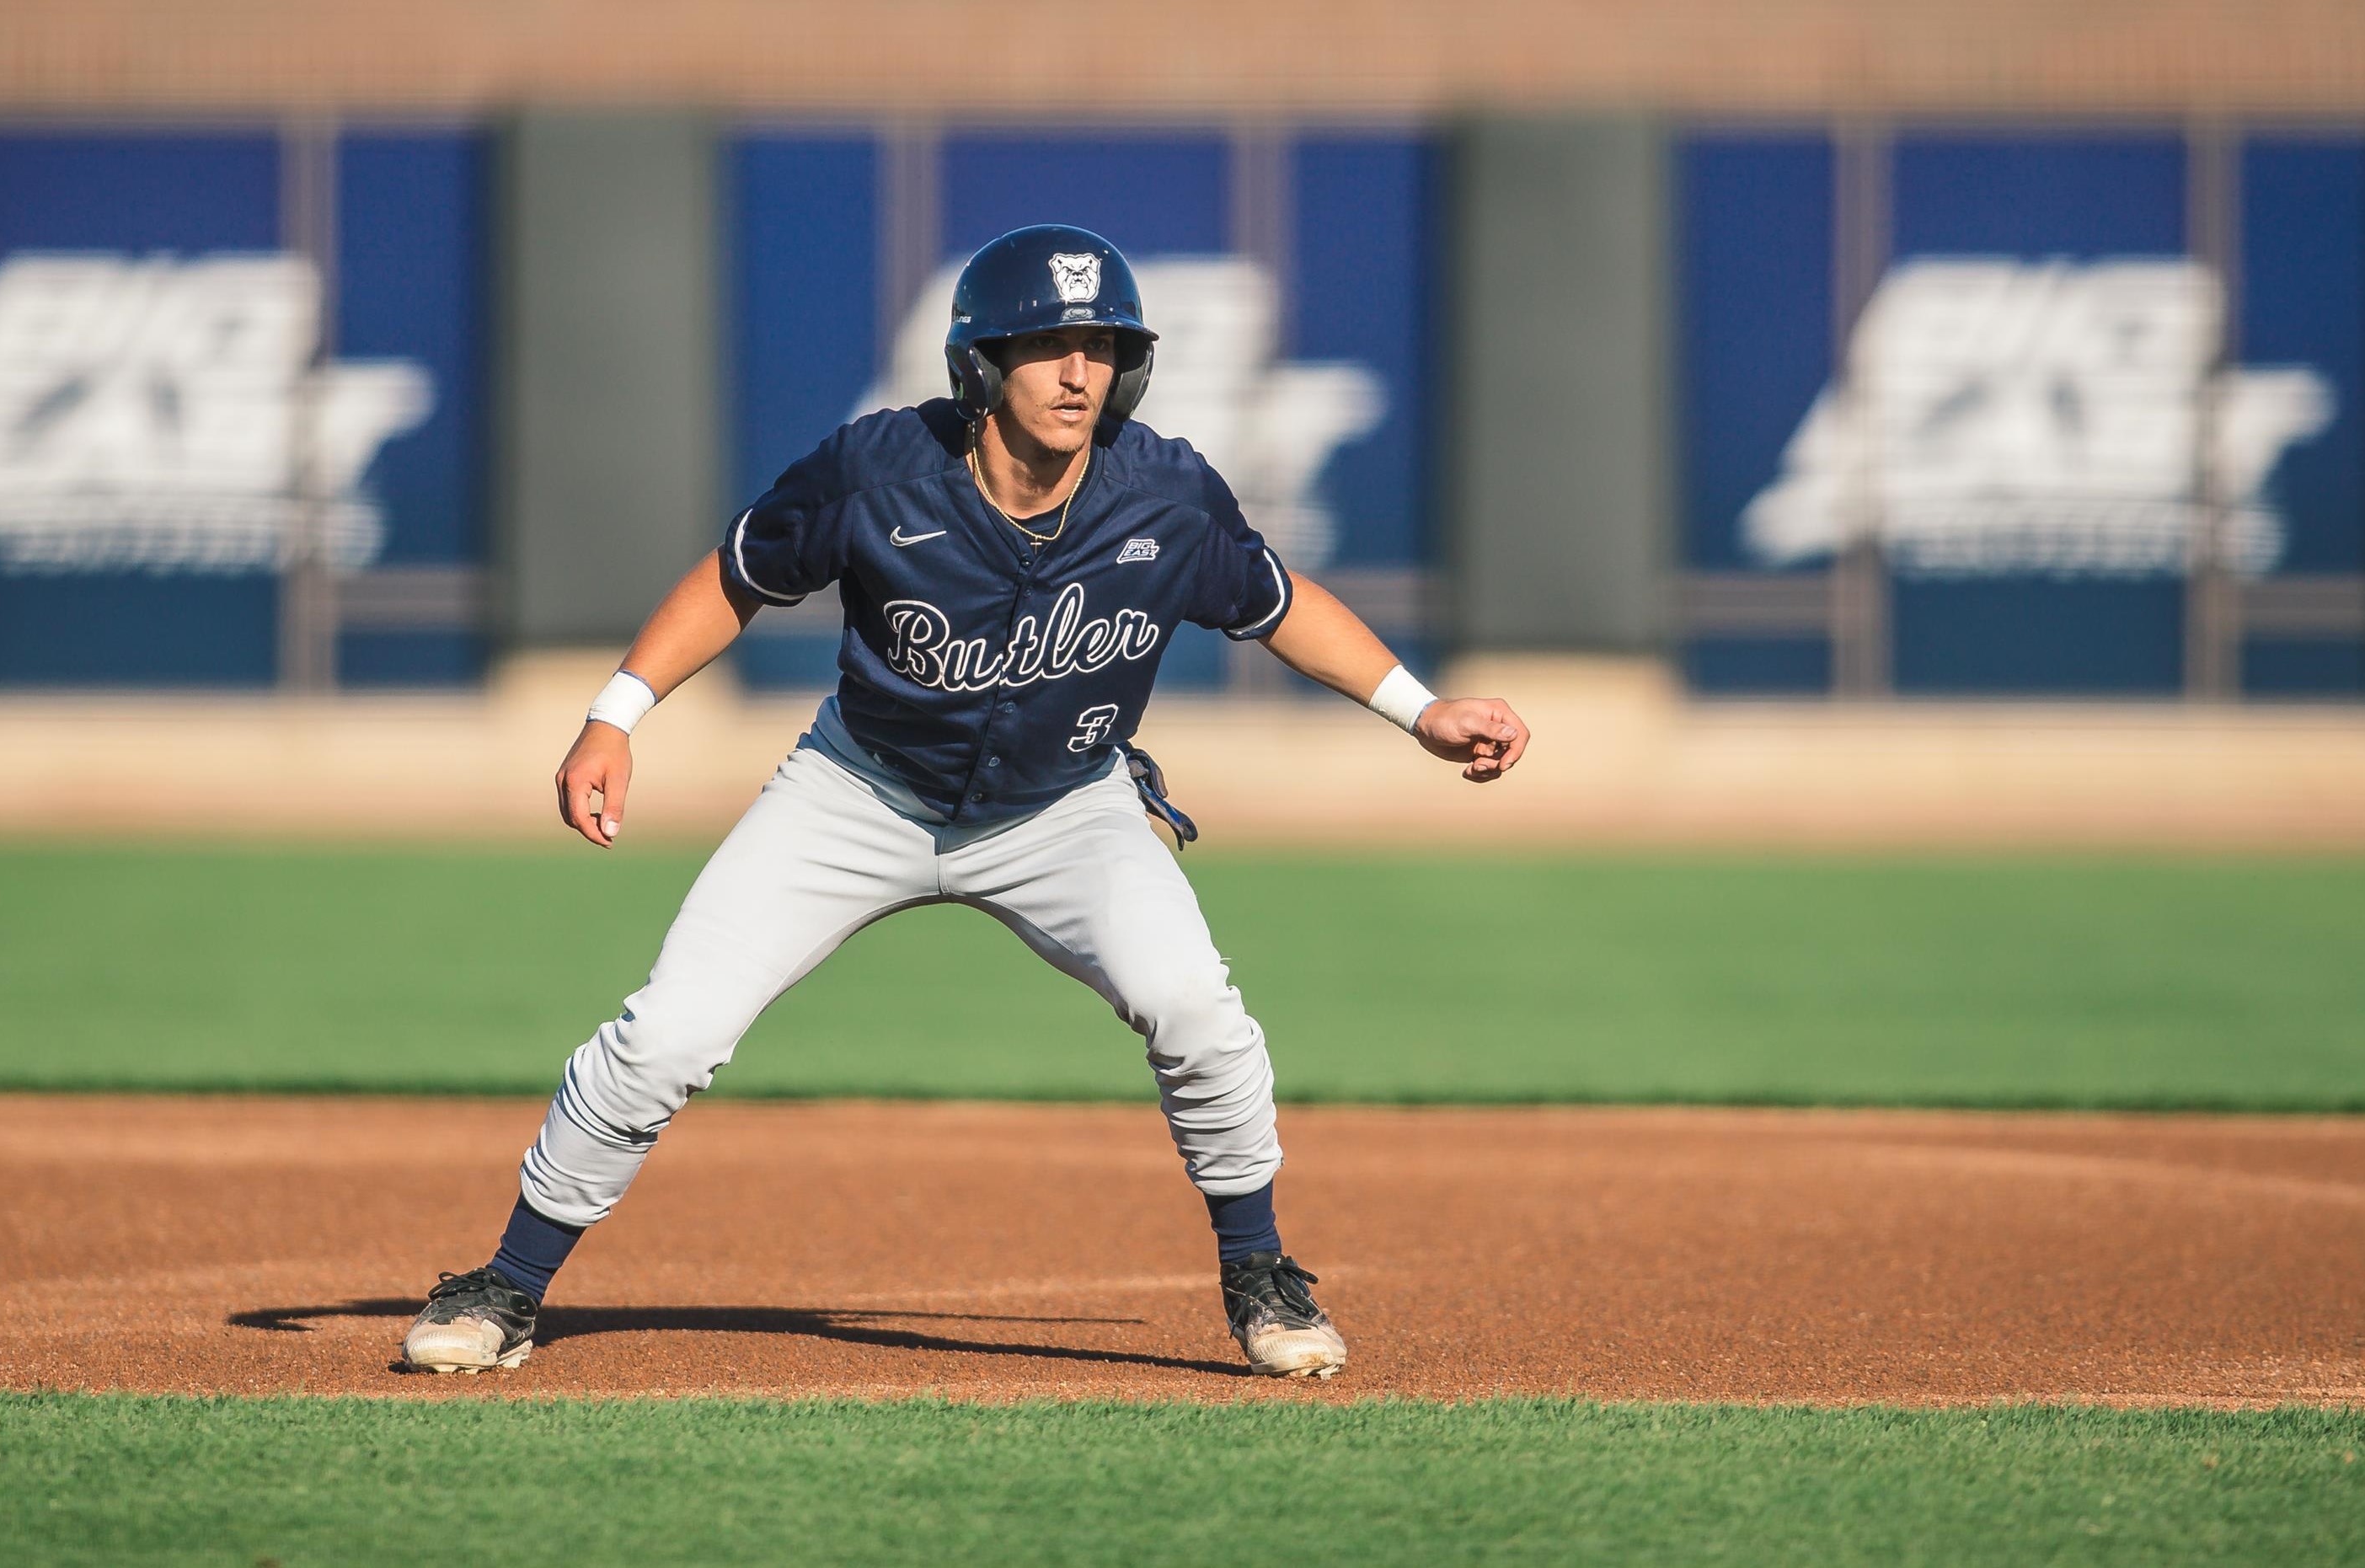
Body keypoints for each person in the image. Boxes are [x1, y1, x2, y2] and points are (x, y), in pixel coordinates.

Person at [401, 223, 1529, 1379]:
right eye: (1045, 345)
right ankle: (506, 1284)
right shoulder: (875, 472)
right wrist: (615, 712)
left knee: (1198, 1009)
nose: (1078, 372)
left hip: (1066, 808)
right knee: (669, 1032)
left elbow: (1277, 603)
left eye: (1101, 346)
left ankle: (1260, 1276)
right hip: (857, 794)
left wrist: (1420, 709)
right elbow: (737, 577)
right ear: (979, 364)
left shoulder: (1168, 493)